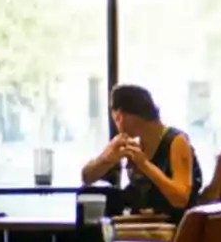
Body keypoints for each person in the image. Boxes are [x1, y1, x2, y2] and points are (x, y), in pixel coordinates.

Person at [81, 84, 202, 224]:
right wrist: (105, 159)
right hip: (141, 222)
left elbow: (181, 199)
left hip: (173, 227)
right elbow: (87, 177)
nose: (117, 126)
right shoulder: (130, 143)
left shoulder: (176, 141)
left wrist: (144, 165)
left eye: (117, 119)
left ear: (121, 116)